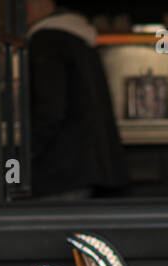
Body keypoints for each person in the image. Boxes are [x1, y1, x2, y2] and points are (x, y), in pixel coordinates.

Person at [26, 0, 127, 199]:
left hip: (61, 168)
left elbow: (50, 109)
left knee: (52, 227)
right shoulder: (79, 39)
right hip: (89, 167)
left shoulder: (46, 41)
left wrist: (27, 154)